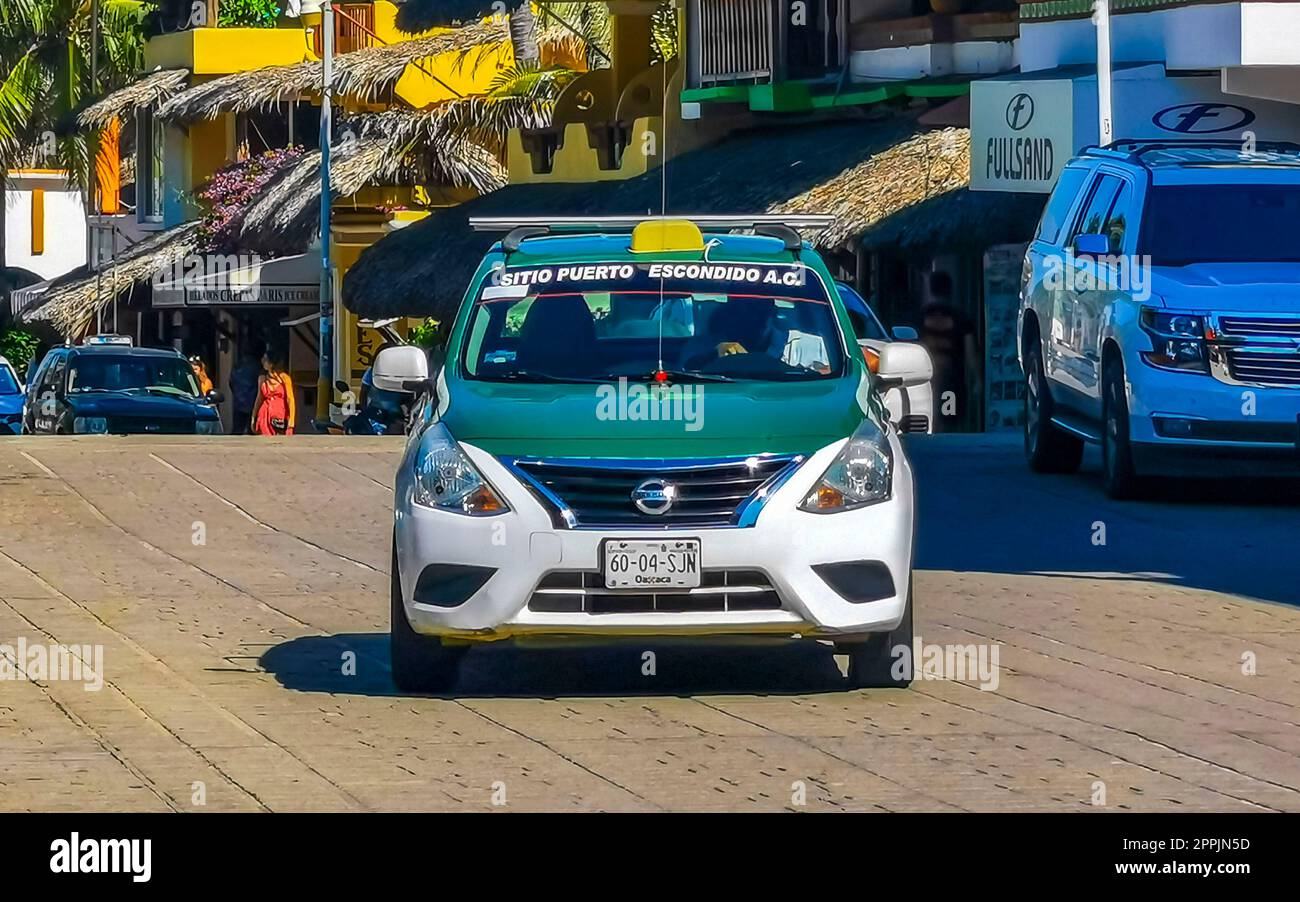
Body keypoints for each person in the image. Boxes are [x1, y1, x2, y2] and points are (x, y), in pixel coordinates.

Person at [918, 271, 980, 432]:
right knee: (951, 422)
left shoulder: (921, 316)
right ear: (950, 291)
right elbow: (970, 353)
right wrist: (976, 379)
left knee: (932, 418)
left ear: (931, 289)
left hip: (924, 376)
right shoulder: (961, 317)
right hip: (951, 378)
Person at [251, 350, 296, 436]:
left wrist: (291, 422)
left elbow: (290, 400)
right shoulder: (262, 378)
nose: (262, 361)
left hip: (279, 416)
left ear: (272, 363)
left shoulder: (284, 378)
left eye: (265, 359)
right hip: (264, 415)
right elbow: (259, 399)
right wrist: (253, 417)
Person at [228, 351, 260, 435]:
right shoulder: (256, 366)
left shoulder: (237, 365)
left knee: (237, 429)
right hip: (252, 401)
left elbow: (231, 382)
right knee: (251, 430)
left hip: (238, 401)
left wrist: (236, 393)